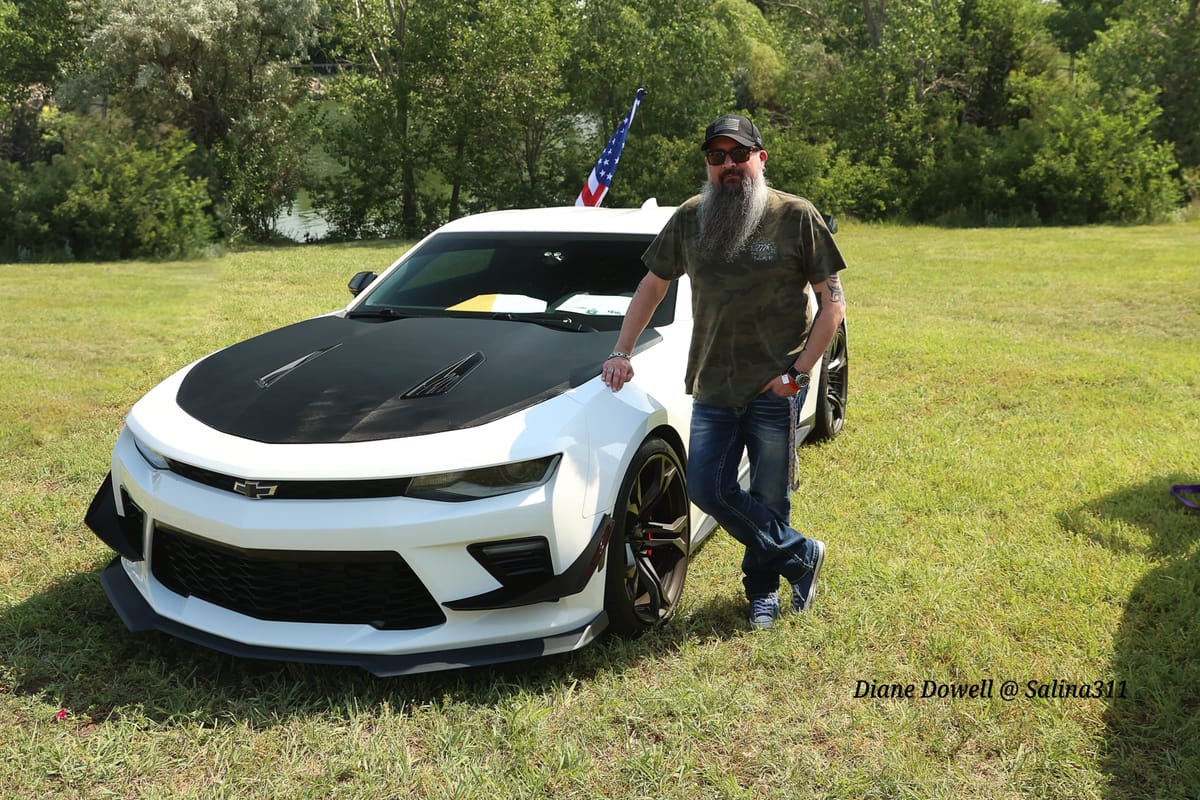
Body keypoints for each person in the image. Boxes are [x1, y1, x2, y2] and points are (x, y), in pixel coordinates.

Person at [601, 113, 847, 630]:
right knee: (706, 489)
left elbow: (832, 305)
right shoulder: (692, 218)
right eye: (717, 156)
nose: (728, 164)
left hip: (773, 387)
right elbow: (652, 286)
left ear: (761, 158)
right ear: (708, 165)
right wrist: (622, 350)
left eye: (739, 154)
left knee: (769, 497)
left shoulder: (795, 216)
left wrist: (799, 375)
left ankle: (762, 591)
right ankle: (802, 555)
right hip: (712, 386)